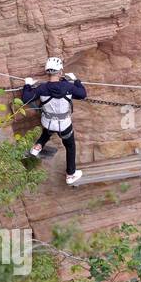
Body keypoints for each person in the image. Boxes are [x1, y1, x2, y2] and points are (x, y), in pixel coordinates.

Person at [22, 57, 86, 186]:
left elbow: (26, 99)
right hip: (64, 125)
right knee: (70, 147)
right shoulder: (68, 87)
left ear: (47, 72)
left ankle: (37, 147)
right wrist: (76, 80)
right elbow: (82, 94)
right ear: (60, 72)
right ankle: (70, 175)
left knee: (47, 132)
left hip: (48, 122)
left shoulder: (42, 88)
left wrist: (27, 84)